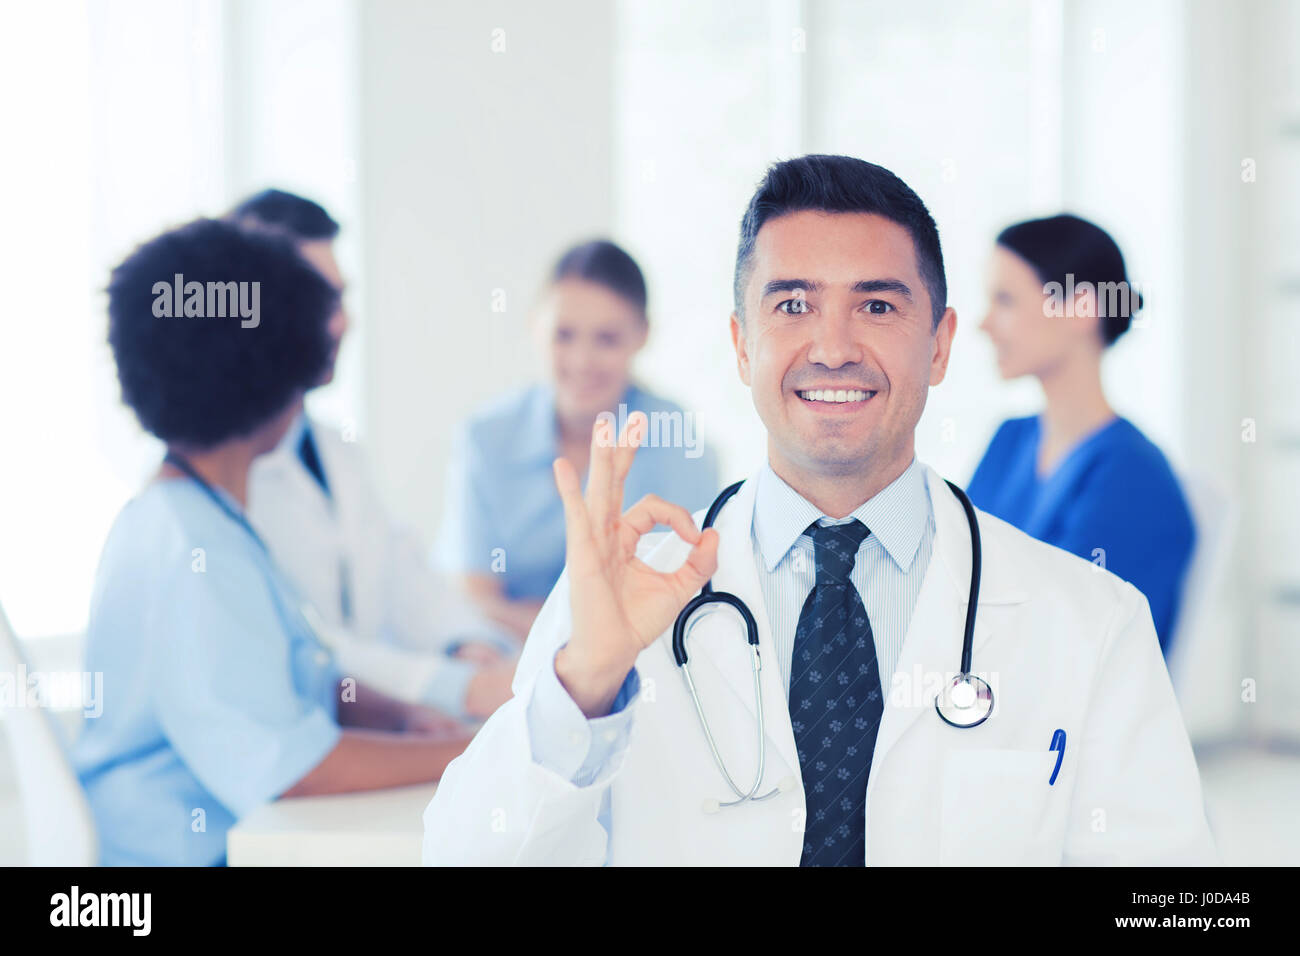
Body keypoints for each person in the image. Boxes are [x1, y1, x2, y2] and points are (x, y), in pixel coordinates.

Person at [422, 155, 1217, 866]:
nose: (832, 347)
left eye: (876, 308)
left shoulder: (1094, 622)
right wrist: (584, 686)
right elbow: (463, 858)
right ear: (740, 345)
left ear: (938, 347)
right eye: (793, 305)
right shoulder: (614, 606)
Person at [72, 219, 473, 866]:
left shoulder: (194, 523)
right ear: (277, 374)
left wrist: (400, 716)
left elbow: (290, 683)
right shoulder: (195, 556)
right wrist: (473, 752)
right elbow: (293, 767)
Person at [231, 190, 516, 721]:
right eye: (318, 302)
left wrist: (467, 645)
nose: (340, 323)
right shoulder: (224, 479)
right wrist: (459, 687)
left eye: (340, 298)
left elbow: (401, 574)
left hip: (357, 731)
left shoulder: (337, 452)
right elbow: (300, 646)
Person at [435, 239, 719, 639]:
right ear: (535, 324)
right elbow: (473, 598)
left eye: (606, 339)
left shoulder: (678, 440)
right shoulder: (486, 438)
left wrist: (537, 617)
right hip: (508, 668)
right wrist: (588, 625)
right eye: (564, 335)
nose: (582, 361)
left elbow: (686, 592)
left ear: (642, 335)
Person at [967, 215, 1195, 657]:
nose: (984, 324)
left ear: (1081, 308)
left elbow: (1068, 642)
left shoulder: (1131, 475)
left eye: (1006, 300)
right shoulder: (1011, 440)